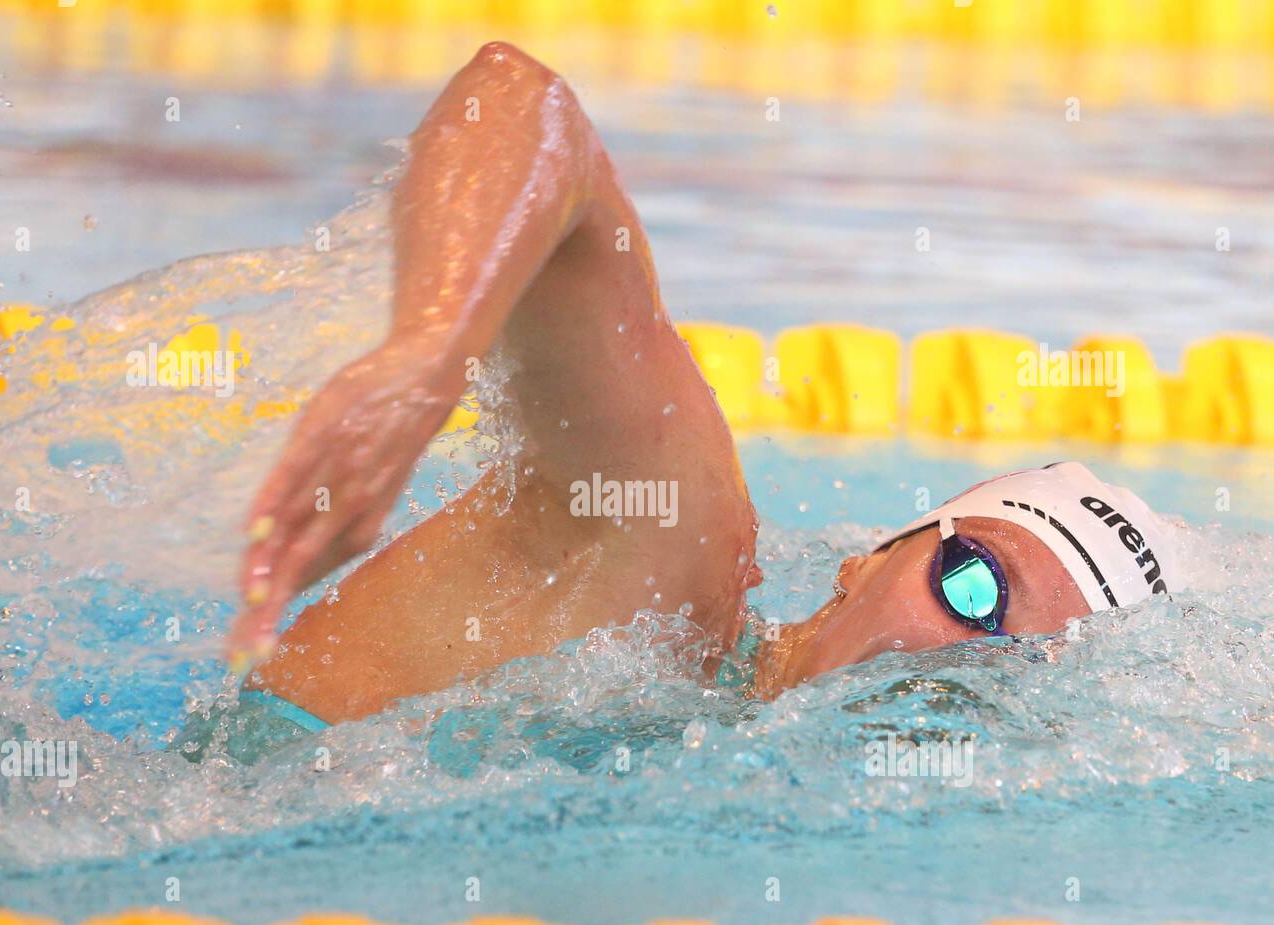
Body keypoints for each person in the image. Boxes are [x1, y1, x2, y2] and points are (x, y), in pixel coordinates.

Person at [220, 42, 1177, 735]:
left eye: (1024, 675)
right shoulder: (663, 567)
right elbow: (519, 104)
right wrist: (428, 353)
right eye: (974, 589)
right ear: (866, 560)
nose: (960, 669)